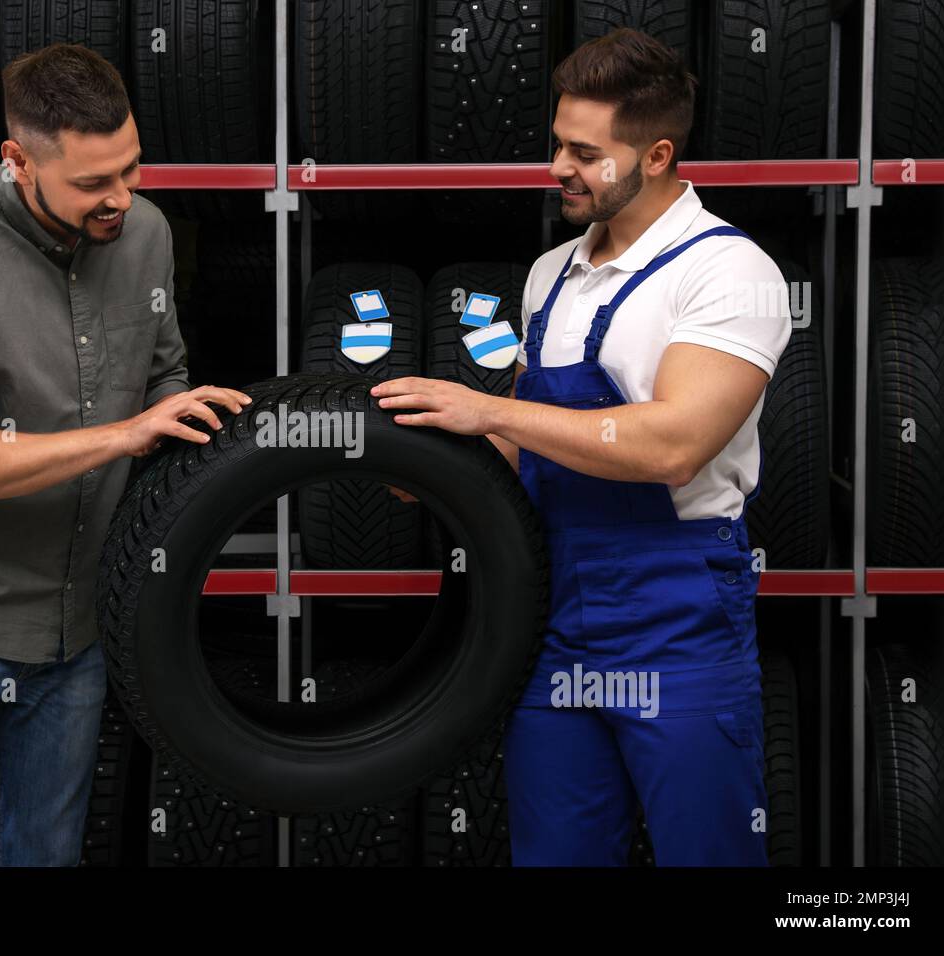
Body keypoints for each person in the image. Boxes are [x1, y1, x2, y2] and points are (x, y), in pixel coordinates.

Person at [372, 28, 792, 865]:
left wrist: (489, 413)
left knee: (704, 852)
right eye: (556, 142)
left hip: (678, 620)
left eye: (583, 151)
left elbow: (672, 444)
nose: (557, 165)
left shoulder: (727, 272)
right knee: (556, 851)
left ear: (658, 155)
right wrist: (434, 467)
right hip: (556, 612)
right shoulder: (551, 273)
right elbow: (538, 451)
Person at [0, 43, 250, 866]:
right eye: (91, 184)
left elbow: (161, 375)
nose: (120, 198)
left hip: (74, 628)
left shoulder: (143, 234)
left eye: (131, 170)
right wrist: (124, 435)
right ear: (17, 161)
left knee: (43, 857)